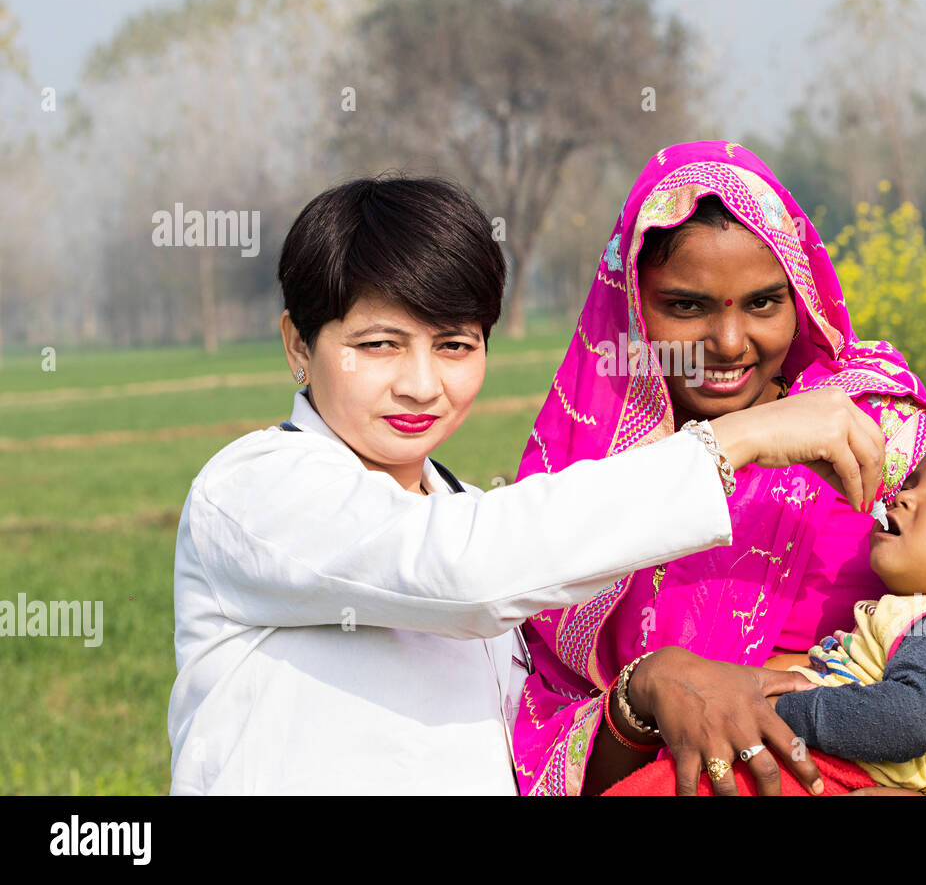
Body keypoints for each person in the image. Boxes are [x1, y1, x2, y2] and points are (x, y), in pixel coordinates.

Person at [165, 176, 883, 795]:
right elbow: (460, 571)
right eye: (378, 345)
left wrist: (642, 693)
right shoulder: (255, 490)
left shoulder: (476, 521)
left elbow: (535, 756)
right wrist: (742, 438)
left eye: (454, 345)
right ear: (299, 344)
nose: (420, 385)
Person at [513, 141, 926, 796]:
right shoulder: (588, 478)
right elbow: (553, 739)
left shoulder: (872, 433)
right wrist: (646, 693)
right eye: (686, 306)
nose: (729, 344)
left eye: (763, 303)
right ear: (630, 304)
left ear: (802, 299)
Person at [601, 431, 926, 795]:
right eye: (912, 482)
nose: (902, 495)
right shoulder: (925, 614)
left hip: (835, 776)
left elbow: (910, 719)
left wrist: (773, 709)